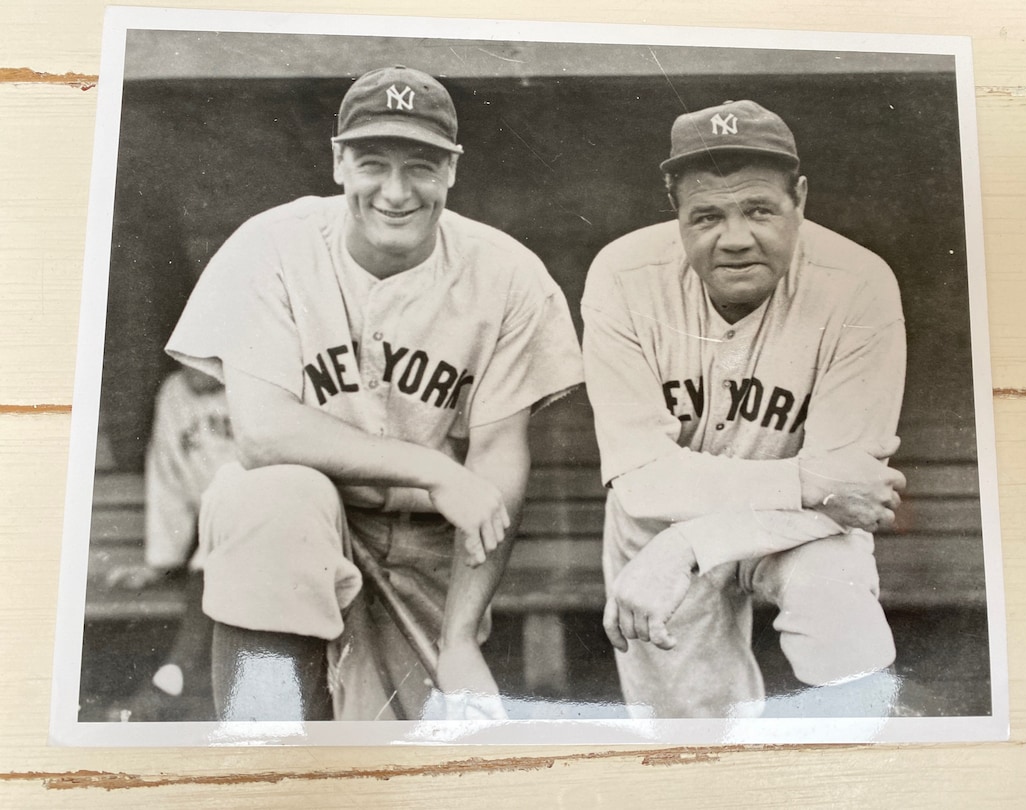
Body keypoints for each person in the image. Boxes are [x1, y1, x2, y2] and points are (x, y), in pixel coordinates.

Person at [165, 66, 583, 722]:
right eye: (372, 163)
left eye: (420, 166)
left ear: (451, 171)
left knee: (418, 759)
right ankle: (265, 758)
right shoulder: (273, 245)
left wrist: (459, 637)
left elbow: (499, 457)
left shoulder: (507, 276)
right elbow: (264, 431)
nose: (395, 191)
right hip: (302, 523)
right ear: (338, 162)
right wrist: (433, 468)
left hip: (422, 542)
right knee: (271, 496)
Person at [581, 99, 907, 718]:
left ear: (800, 200)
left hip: (796, 528)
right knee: (690, 736)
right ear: (675, 214)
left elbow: (854, 494)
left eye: (759, 209)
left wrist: (688, 545)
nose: (734, 239)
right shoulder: (623, 278)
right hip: (666, 523)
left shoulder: (858, 285)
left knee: (837, 612)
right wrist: (809, 480)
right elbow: (646, 483)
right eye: (706, 216)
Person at [106, 366, 237, 721]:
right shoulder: (175, 392)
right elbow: (168, 475)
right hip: (212, 530)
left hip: (263, 519)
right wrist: (162, 559)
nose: (192, 364)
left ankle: (166, 688)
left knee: (216, 561)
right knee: (211, 564)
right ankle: (175, 683)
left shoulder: (257, 380)